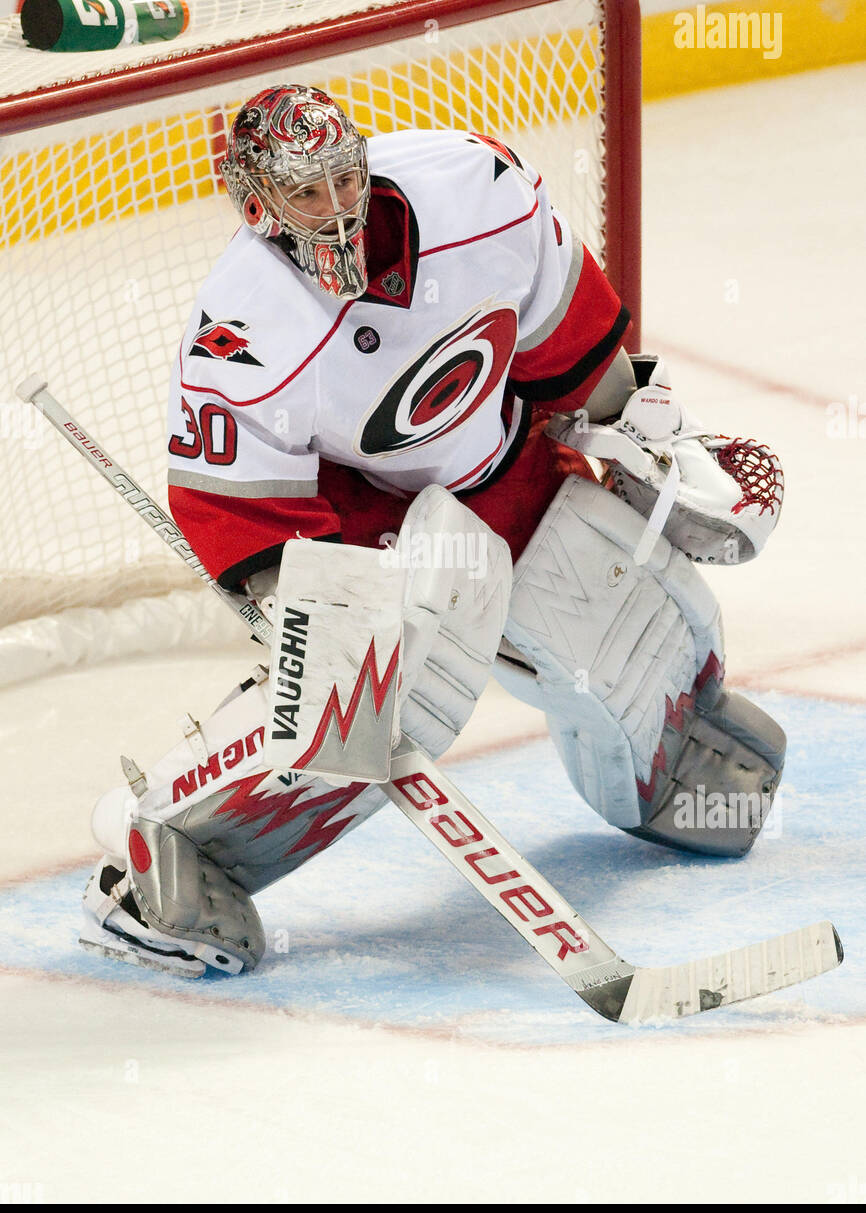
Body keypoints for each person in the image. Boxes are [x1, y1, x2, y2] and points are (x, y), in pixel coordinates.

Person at [79, 84, 785, 978]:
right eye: (309, 192)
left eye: (345, 177)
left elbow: (567, 338)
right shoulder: (242, 330)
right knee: (372, 688)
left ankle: (674, 755)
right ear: (258, 203)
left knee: (617, 611)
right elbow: (243, 504)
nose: (338, 206)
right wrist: (305, 610)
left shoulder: (471, 188)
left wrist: (646, 437)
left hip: (503, 456)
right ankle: (163, 860)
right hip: (379, 520)